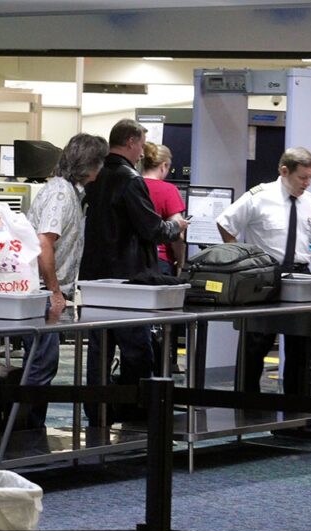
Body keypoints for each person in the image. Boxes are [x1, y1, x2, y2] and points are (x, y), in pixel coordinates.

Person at [80, 119, 188, 424]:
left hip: (95, 279)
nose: (143, 150)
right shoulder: (130, 179)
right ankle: (134, 411)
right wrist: (175, 227)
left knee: (99, 353)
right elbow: (151, 228)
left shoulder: (95, 176)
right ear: (130, 142)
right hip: (129, 278)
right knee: (137, 349)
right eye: (141, 143)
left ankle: (98, 413)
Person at [216, 146, 311, 396]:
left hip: (301, 277)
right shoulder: (259, 197)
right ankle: (247, 405)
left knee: (302, 348)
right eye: (302, 177)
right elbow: (226, 222)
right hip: (264, 276)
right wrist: (241, 257)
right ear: (284, 171)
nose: (307, 182)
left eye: (310, 176)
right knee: (255, 344)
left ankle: (297, 409)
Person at [20, 133, 109, 429]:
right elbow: (45, 242)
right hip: (43, 294)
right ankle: (25, 435)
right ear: (90, 165)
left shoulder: (67, 191)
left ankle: (28, 431)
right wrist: (55, 291)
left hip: (44, 291)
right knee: (41, 365)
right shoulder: (61, 194)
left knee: (42, 364)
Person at [141, 142, 187, 276]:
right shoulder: (168, 190)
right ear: (164, 166)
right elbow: (177, 233)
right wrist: (180, 261)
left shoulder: (132, 185)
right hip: (160, 260)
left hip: (132, 259)